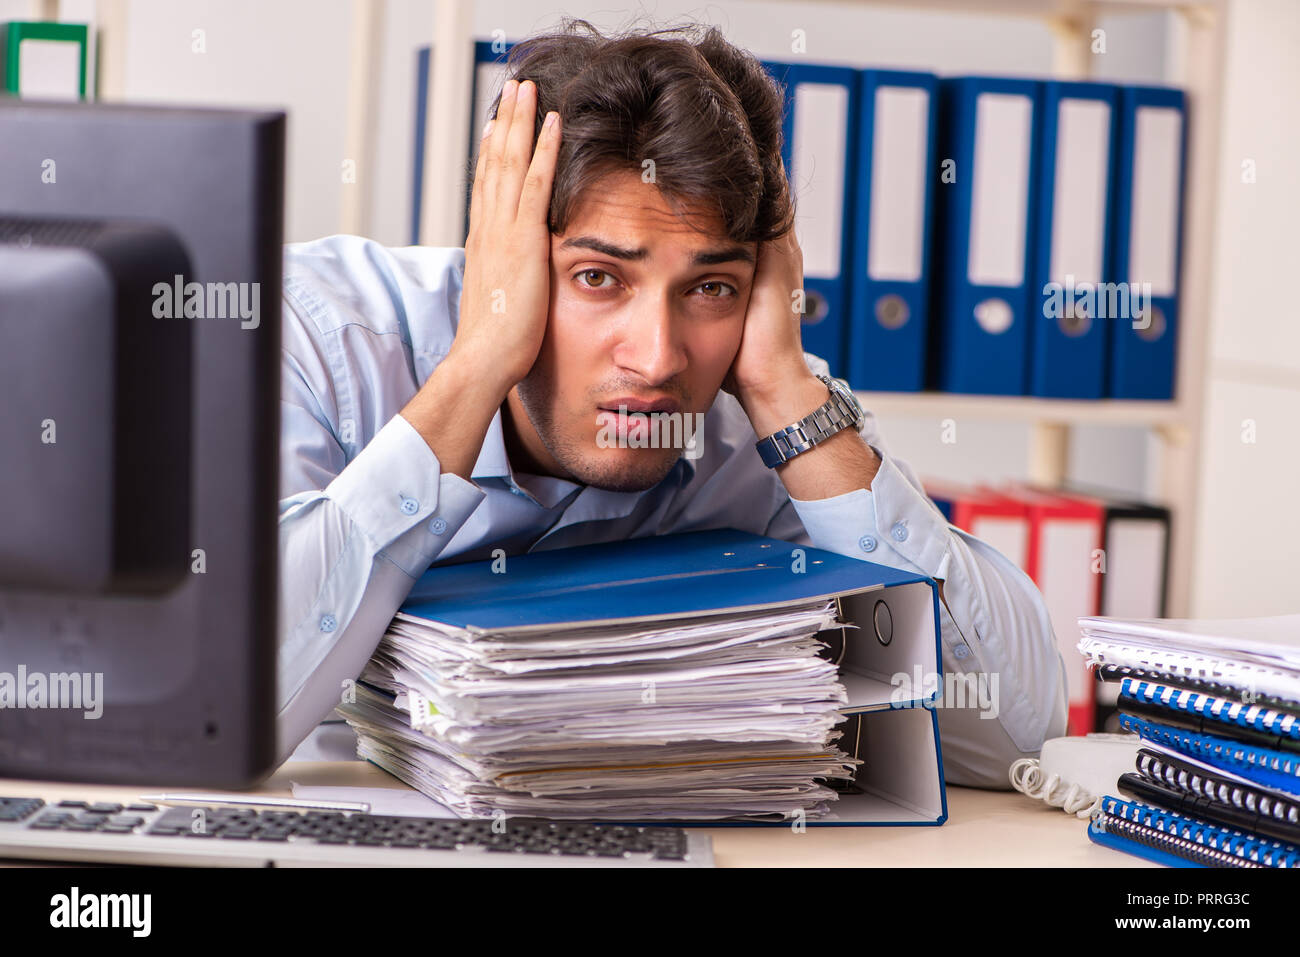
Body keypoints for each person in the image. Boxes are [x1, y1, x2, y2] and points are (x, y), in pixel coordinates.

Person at [276, 19, 1068, 787]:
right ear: (499, 257)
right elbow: (226, 719)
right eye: (598, 278)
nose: (657, 357)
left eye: (710, 287)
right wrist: (478, 363)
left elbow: (1010, 737)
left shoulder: (766, 415)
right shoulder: (318, 334)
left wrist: (788, 394)